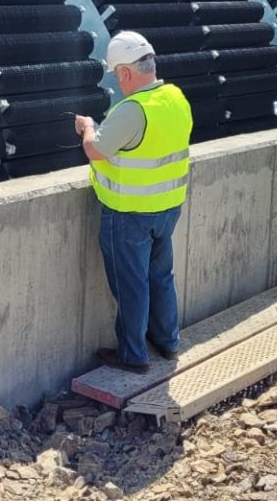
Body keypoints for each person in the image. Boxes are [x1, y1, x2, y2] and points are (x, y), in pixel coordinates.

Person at [75, 30, 193, 373]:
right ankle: (168, 342)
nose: (117, 82)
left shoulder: (132, 109)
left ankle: (133, 355)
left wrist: (87, 127)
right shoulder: (175, 97)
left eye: (116, 76)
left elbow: (96, 150)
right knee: (161, 277)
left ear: (126, 72)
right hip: (168, 207)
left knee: (131, 286)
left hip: (129, 214)